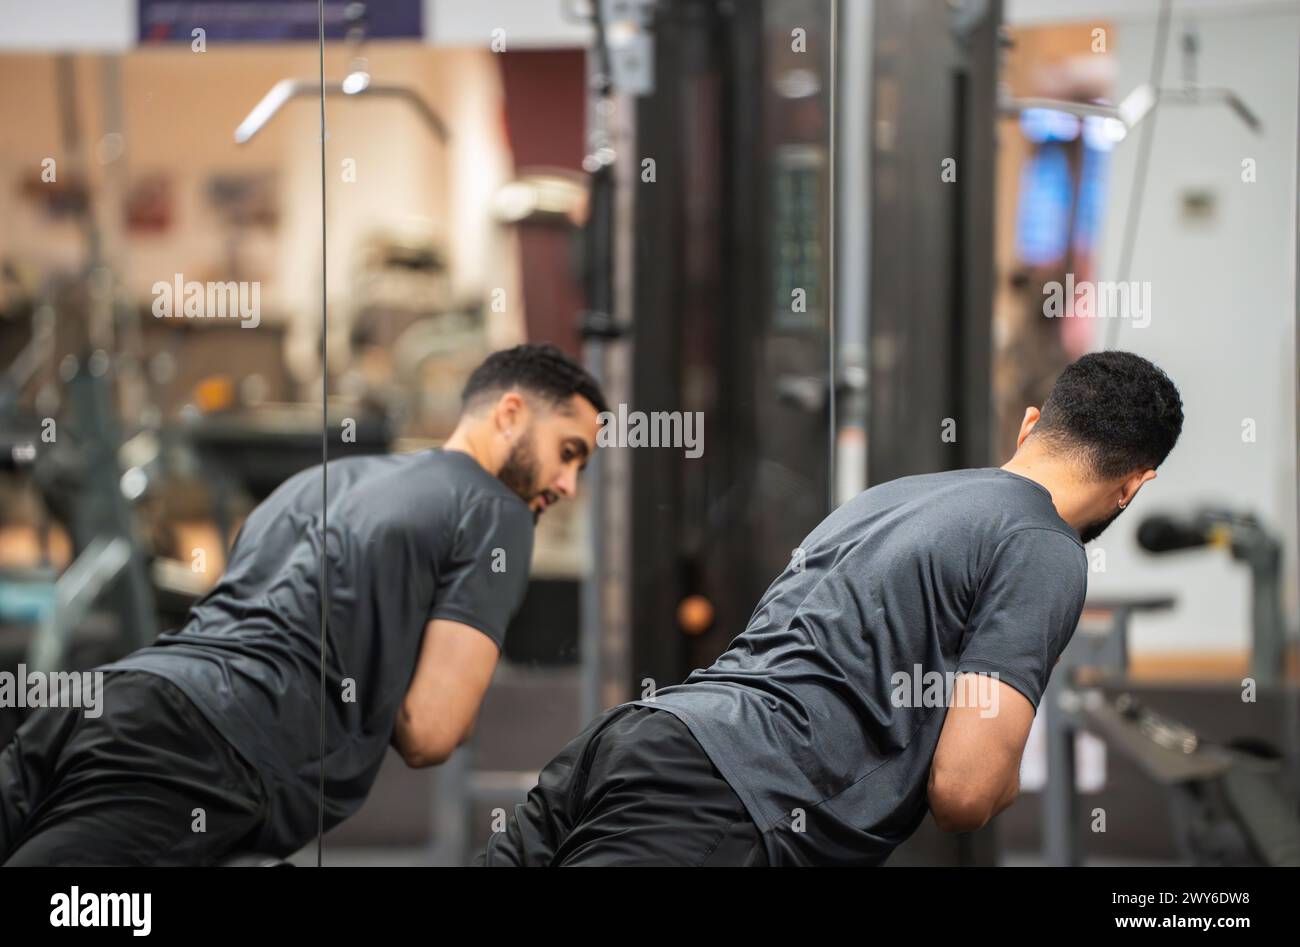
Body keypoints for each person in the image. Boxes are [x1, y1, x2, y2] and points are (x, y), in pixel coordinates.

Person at [478, 349, 1183, 866]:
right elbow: (964, 792)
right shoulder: (1047, 549)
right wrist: (996, 781)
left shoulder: (893, 497)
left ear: (1029, 426)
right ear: (1134, 485)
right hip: (727, 800)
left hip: (634, 740)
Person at [0, 343, 606, 865]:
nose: (568, 485)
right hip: (204, 753)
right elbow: (431, 730)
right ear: (510, 413)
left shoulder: (324, 480)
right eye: (569, 452)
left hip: (114, 698)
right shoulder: (498, 510)